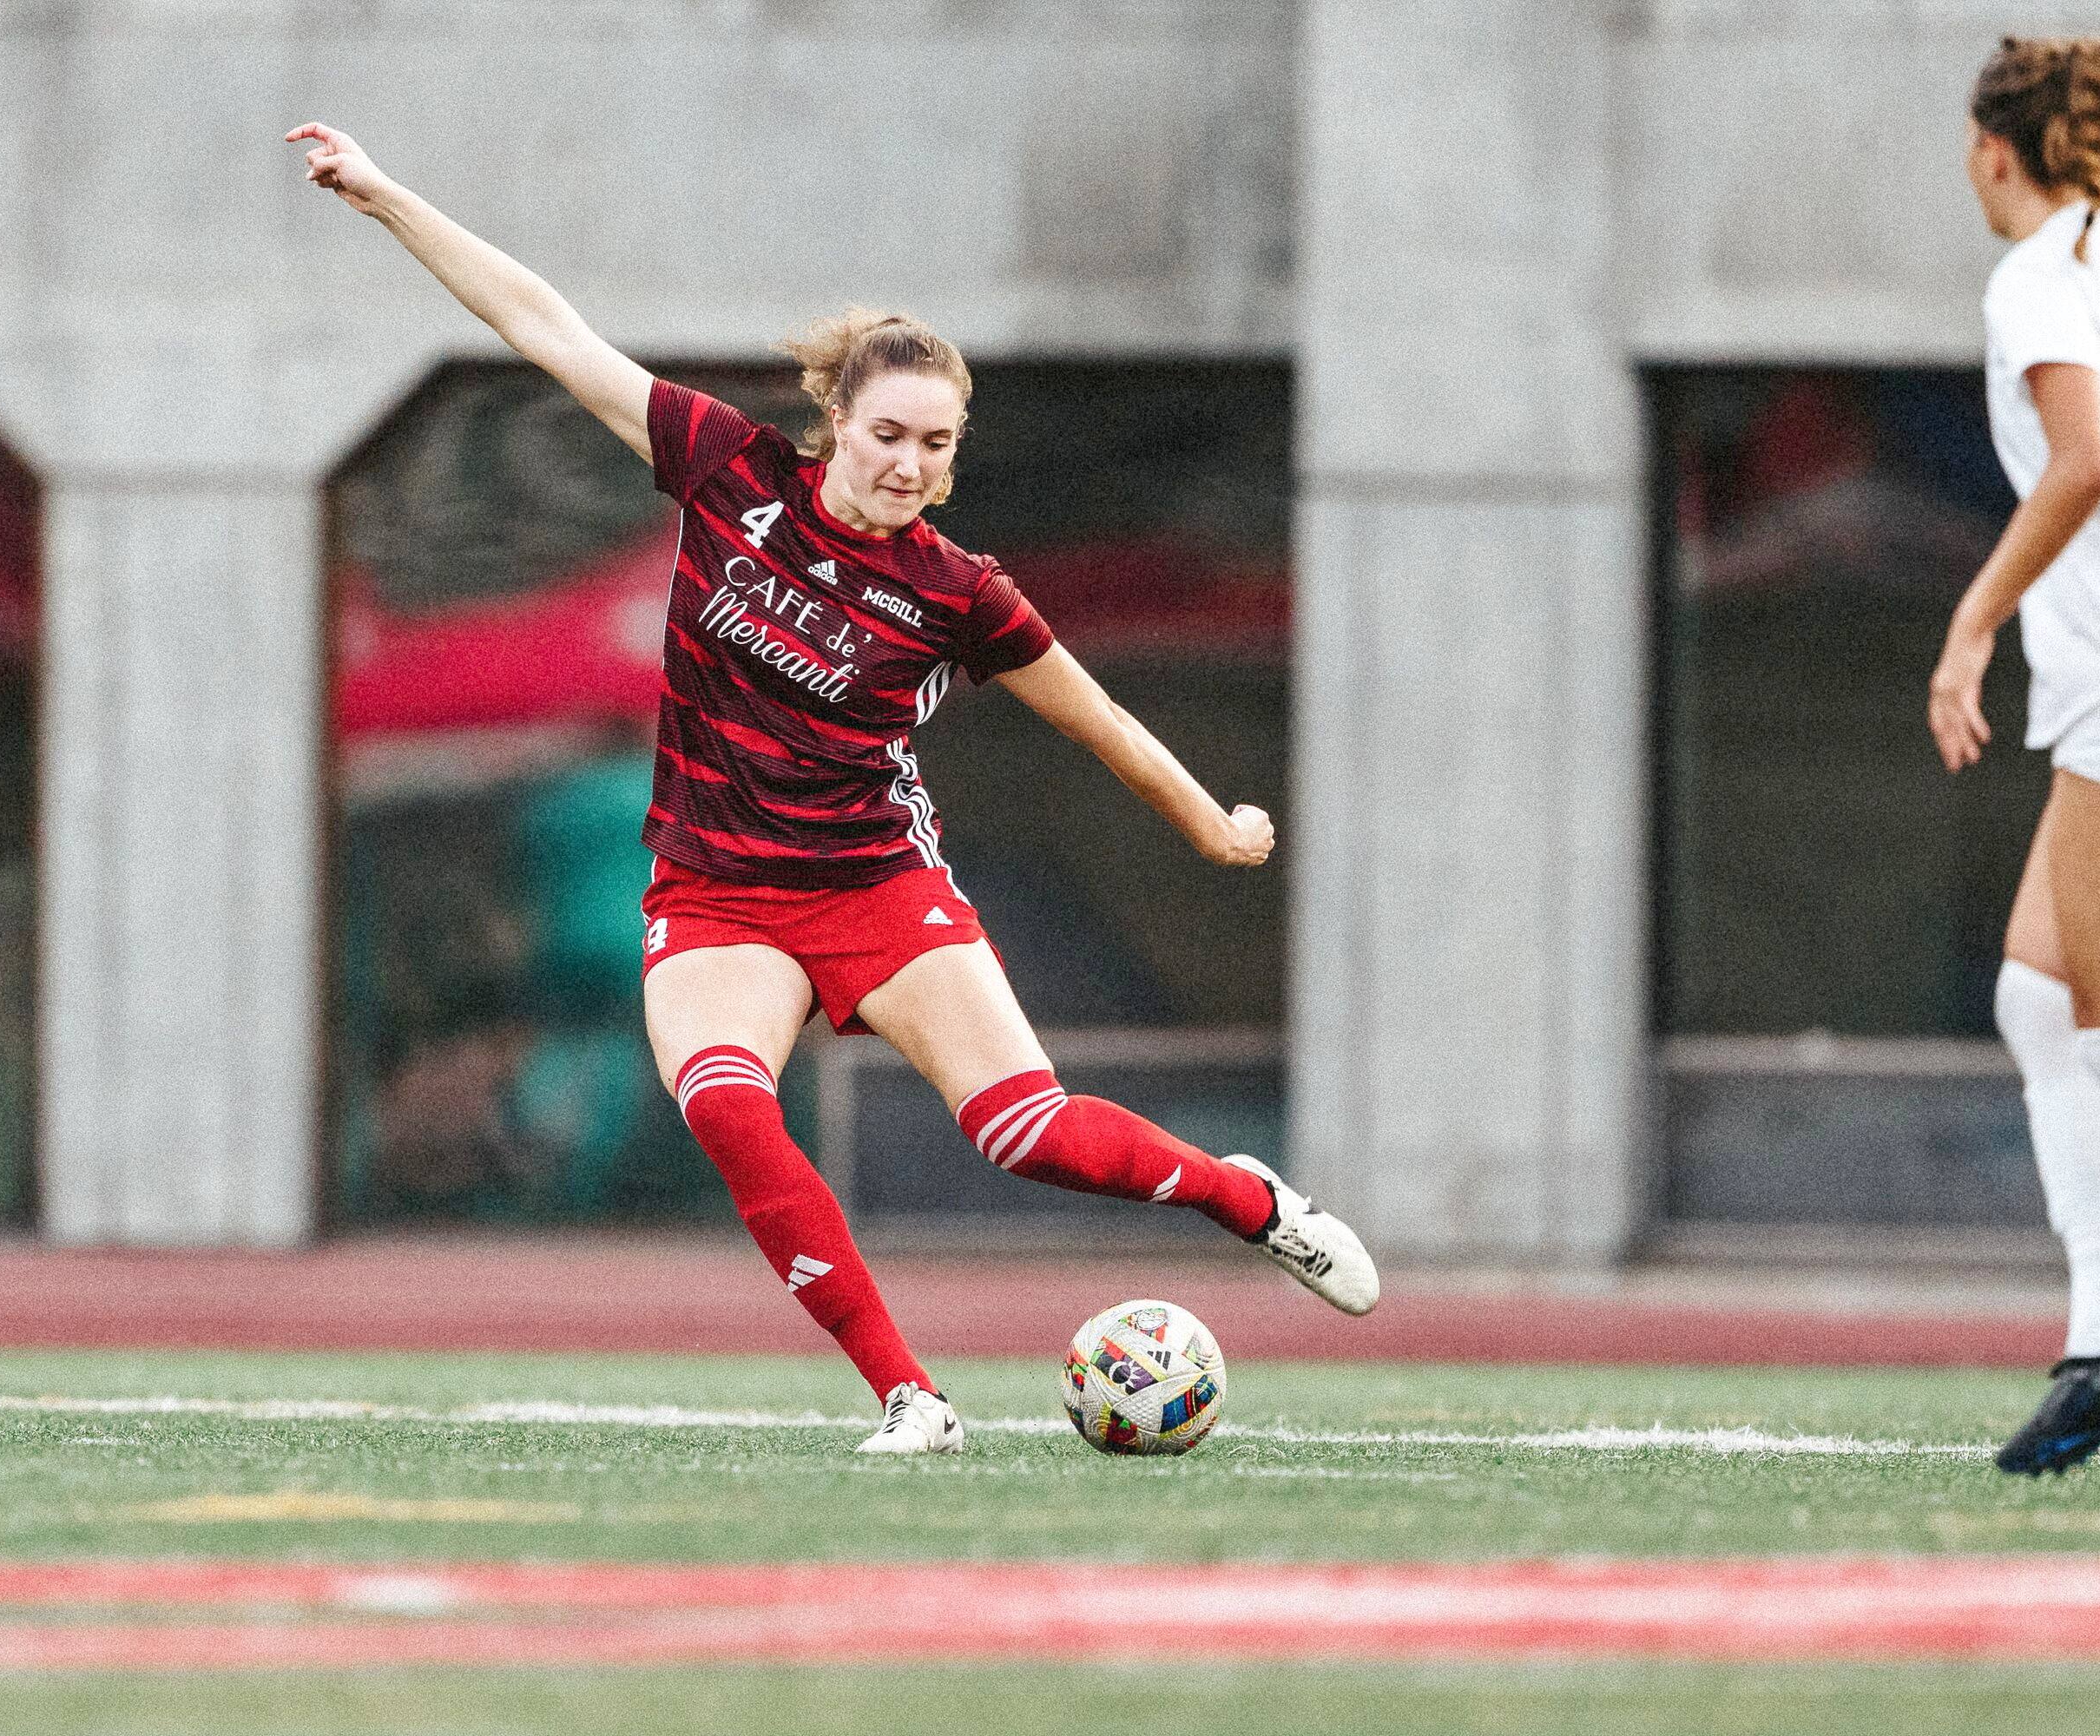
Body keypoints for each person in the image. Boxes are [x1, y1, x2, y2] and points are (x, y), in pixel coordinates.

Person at [289, 122, 1378, 1454]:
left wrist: (1211, 822)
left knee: (1026, 1135)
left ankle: (1248, 1203)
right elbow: (544, 325)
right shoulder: (726, 471)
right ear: (838, 426)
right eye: (890, 434)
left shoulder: (960, 593)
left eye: (937, 443)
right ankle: (911, 1397)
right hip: (716, 894)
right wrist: (384, 195)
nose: (911, 463)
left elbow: (1096, 719)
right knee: (730, 1109)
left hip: (875, 885)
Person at [1931, 36, 2100, 1474]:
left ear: (1997, 150)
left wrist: (1972, 621)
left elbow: (2085, 460)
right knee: (2042, 1003)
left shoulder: (2040, 276)